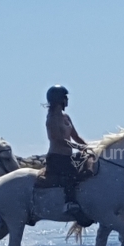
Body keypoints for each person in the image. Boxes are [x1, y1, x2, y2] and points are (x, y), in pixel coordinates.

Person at [45, 85, 87, 215]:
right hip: (57, 157)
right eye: (65, 97)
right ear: (59, 100)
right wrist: (77, 147)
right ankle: (69, 203)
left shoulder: (66, 117)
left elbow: (75, 136)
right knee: (71, 174)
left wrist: (88, 146)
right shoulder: (52, 119)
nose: (67, 100)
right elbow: (58, 140)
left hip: (68, 156)